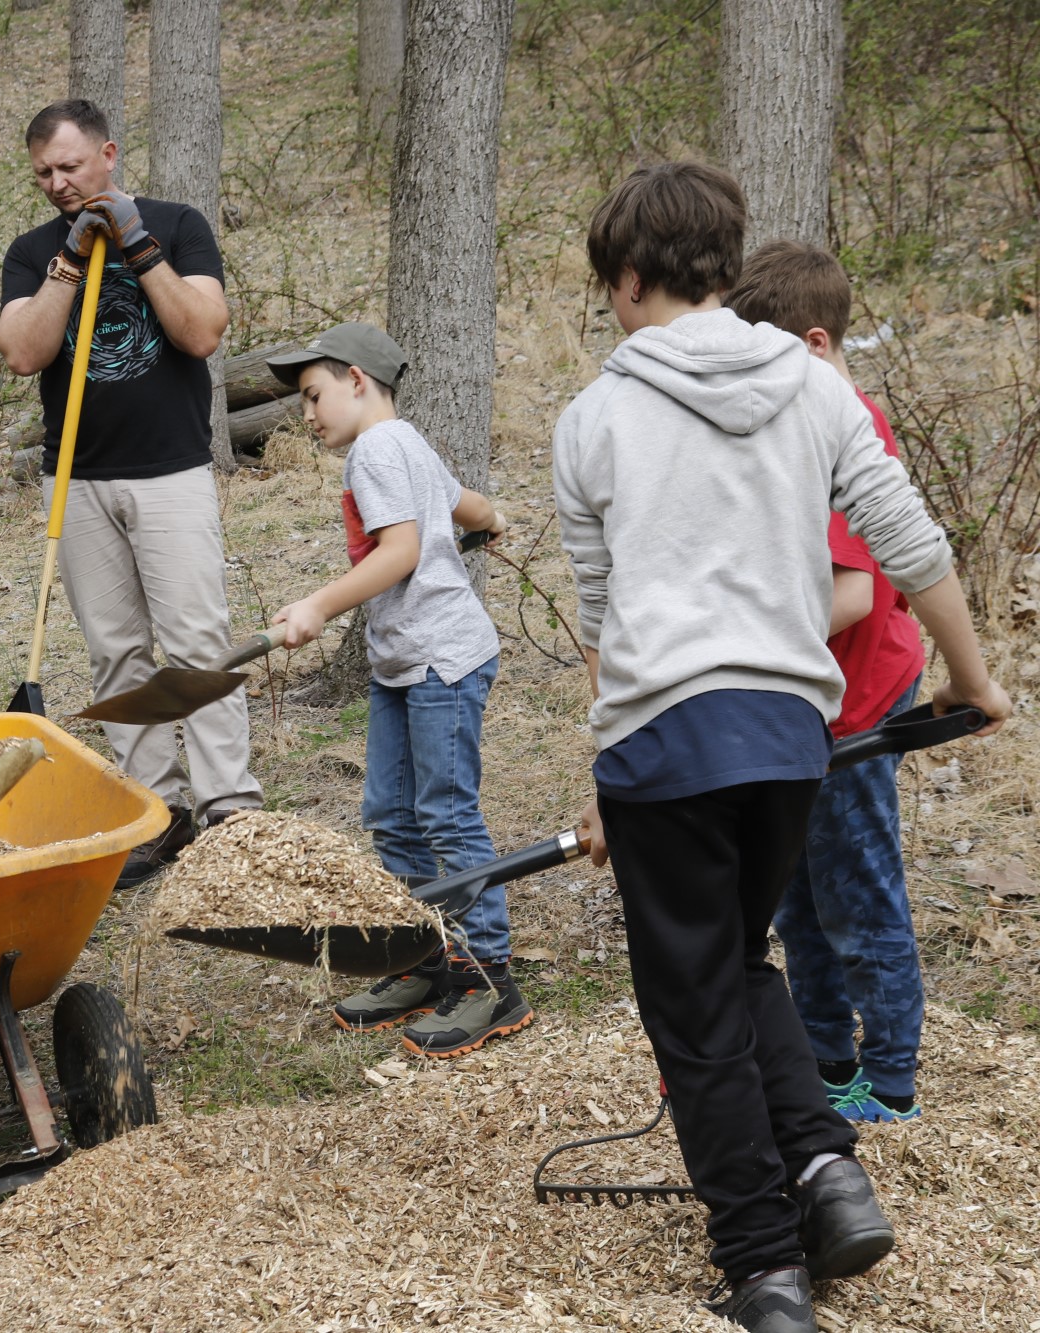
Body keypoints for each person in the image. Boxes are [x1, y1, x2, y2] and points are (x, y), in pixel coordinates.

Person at [554, 162, 1010, 1332]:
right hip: (787, 737)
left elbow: (603, 620)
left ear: (628, 277)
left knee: (691, 1007)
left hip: (663, 742)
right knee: (735, 961)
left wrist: (607, 768)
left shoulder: (592, 418)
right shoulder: (814, 388)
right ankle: (824, 1166)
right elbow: (909, 541)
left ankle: (762, 1266)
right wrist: (972, 679)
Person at [0, 97, 263, 886]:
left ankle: (229, 808)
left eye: (70, 166)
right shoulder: (33, 251)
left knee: (198, 643)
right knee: (115, 652)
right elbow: (23, 351)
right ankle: (157, 810)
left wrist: (138, 246)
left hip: (171, 471)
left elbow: (201, 331)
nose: (57, 183)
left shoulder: (177, 226)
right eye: (43, 173)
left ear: (108, 155)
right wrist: (69, 262)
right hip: (77, 480)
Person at [262, 324, 523, 1059]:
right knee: (393, 814)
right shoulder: (406, 442)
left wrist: (317, 605)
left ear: (355, 379)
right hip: (405, 664)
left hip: (441, 662)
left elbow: (402, 552)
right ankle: (420, 957)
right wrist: (493, 519)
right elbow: (462, 501)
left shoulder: (376, 450)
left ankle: (486, 977)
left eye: (312, 395)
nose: (307, 414)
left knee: (443, 815)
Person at [726, 240, 931, 1125]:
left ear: (814, 346)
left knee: (857, 893)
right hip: (803, 705)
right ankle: (824, 1059)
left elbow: (851, 595)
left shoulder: (853, 428)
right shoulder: (795, 424)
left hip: (859, 705)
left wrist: (736, 634)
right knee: (797, 898)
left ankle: (890, 1080)